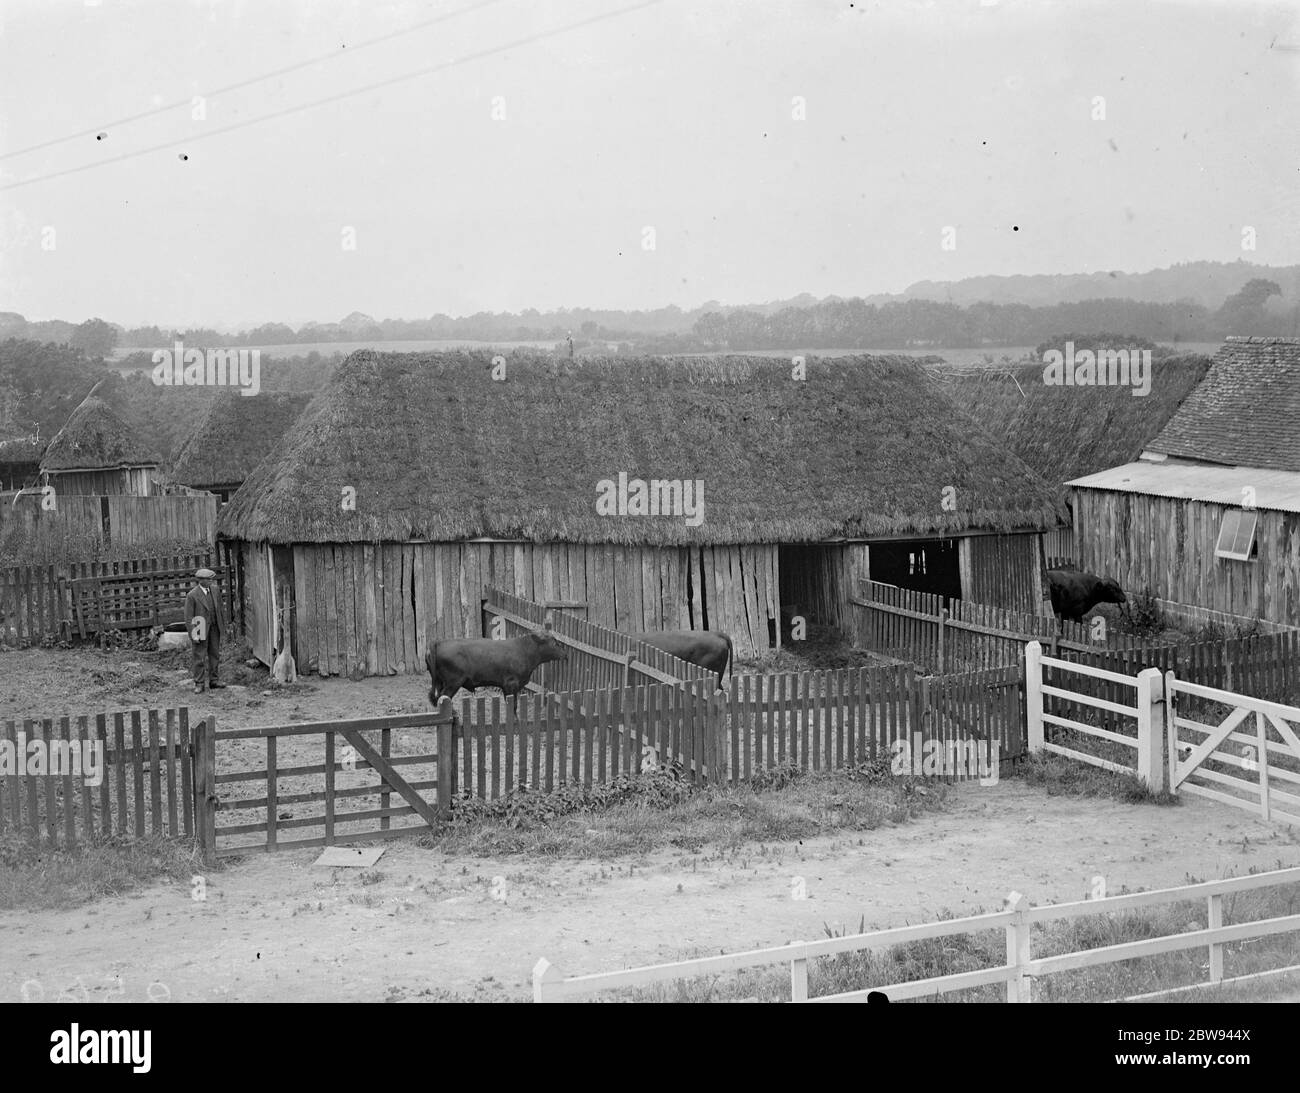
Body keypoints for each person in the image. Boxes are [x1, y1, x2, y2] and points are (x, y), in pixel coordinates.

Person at [184, 568, 228, 693]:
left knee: (215, 654)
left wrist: (223, 626)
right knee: (199, 656)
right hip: (200, 628)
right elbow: (188, 617)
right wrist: (194, 634)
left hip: (214, 627)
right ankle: (199, 683)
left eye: (211, 579)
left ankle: (214, 680)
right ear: (200, 580)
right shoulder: (192, 595)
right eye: (208, 579)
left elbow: (220, 609)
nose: (211, 581)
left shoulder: (215, 590)